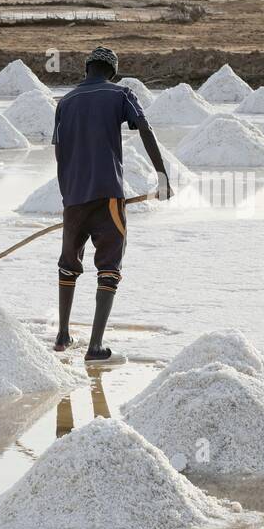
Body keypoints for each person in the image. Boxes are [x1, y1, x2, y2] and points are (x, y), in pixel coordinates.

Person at [50, 46, 171, 363]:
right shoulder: (121, 94)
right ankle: (95, 347)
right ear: (112, 71)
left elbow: (59, 151)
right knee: (109, 268)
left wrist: (69, 195)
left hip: (73, 198)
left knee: (68, 265)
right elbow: (144, 127)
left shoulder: (65, 102)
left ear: (86, 68)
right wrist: (162, 177)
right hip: (108, 196)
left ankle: (62, 336)